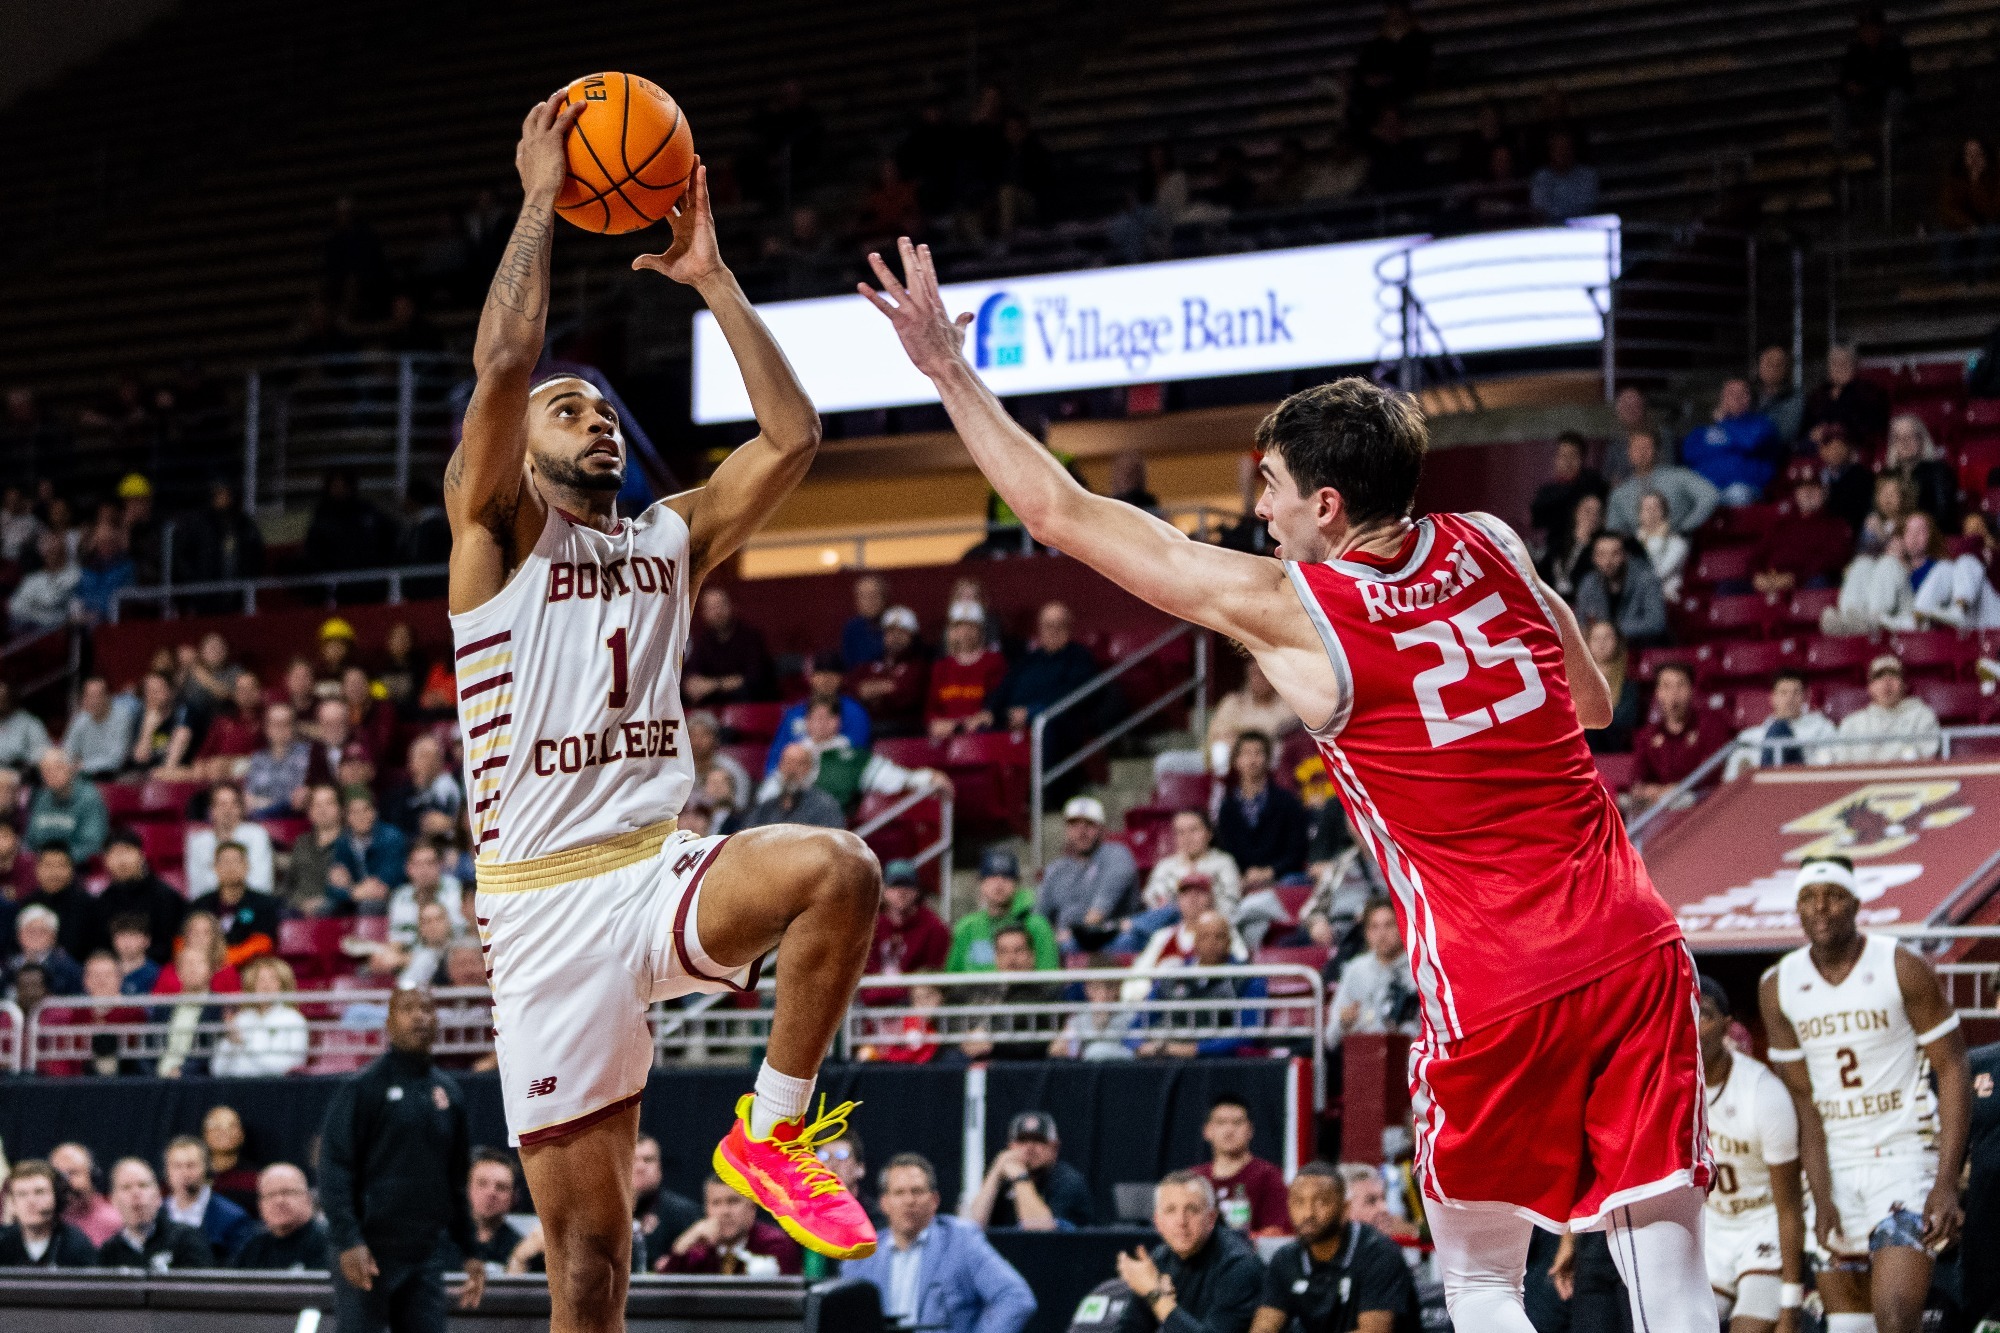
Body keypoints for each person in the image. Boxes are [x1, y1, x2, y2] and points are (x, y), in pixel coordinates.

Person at [866, 244, 1713, 1332]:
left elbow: (1060, 515)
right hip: (1632, 940)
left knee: (1481, 1277)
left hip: (1493, 975)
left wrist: (945, 367)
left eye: (1265, 488)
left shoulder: (1295, 607)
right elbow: (1592, 704)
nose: (1257, 512)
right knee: (1666, 1259)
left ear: (1322, 502)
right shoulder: (1493, 538)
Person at [445, 106, 882, 1326]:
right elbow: (499, 363)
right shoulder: (492, 538)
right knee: (589, 1270)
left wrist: (712, 277)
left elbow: (793, 436)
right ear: (519, 453)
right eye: (563, 409)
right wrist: (540, 192)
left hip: (657, 868)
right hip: (540, 908)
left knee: (836, 868)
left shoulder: (668, 539)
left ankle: (772, 1135)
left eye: (597, 409)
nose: (587, 419)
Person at [1761, 857, 1972, 1333]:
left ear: (1856, 903)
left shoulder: (1900, 965)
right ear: (1795, 909)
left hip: (1904, 1157)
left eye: (1834, 896)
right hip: (1836, 1163)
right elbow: (1803, 1101)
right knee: (1850, 1327)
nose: (1821, 908)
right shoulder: (1777, 986)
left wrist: (1946, 1181)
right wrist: (1821, 1191)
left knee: (1897, 1317)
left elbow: (1953, 1065)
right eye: (1809, 899)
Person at [320, 988, 485, 1329]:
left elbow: (455, 1180)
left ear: (437, 1021)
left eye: (427, 1009)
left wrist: (471, 1250)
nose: (420, 1016)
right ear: (390, 1022)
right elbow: (334, 1168)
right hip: (367, 1248)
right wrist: (349, 1240)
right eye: (408, 1009)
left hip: (425, 1252)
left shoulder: (450, 1093)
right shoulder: (362, 1088)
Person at [1694, 975, 1806, 1333]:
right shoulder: (1671, 1088)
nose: (1693, 1025)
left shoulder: (1764, 1093)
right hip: (1712, 1228)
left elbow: (1790, 1206)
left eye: (1705, 1015)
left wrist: (1791, 1302)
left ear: (1727, 1026)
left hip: (1763, 1225)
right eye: (1687, 1014)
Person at [844, 1153, 1036, 1333]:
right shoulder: (861, 1256)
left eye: (917, 1191)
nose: (909, 1200)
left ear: (935, 1200)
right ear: (884, 1203)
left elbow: (1016, 1298)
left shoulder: (962, 1242)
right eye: (899, 1193)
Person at [1251, 1162, 1423, 1333]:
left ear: (1344, 1209)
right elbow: (1264, 1327)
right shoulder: (1285, 1259)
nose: (1308, 1213)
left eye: (1321, 1202)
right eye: (1298, 1202)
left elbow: (1373, 1330)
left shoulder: (1380, 1253)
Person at [1114, 1171, 1264, 1333]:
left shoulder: (1239, 1266)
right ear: (1158, 1221)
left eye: (1192, 1209)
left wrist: (1155, 1295)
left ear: (1211, 1218)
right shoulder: (1159, 1259)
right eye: (1171, 1210)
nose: (1181, 1221)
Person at [963, 1111, 1095, 1231]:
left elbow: (1039, 1231)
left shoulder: (1067, 1181)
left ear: (1054, 1148)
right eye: (1022, 1140)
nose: (1030, 1147)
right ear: (1011, 1146)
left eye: (1039, 1140)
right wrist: (996, 1171)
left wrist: (1020, 1177)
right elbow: (970, 1229)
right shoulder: (1003, 1182)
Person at [1038, 796, 1139, 951]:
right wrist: (1049, 936)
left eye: (1089, 825)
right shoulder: (1056, 869)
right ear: (1067, 829)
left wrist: (1067, 936)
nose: (1081, 831)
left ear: (1102, 829)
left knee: (1068, 946)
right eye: (1074, 825)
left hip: (1109, 938)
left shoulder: (1117, 855)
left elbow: (1098, 915)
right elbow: (1039, 917)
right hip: (1066, 940)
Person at [1214, 732, 1309, 890]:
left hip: (1283, 877)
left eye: (1258, 753)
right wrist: (1242, 875)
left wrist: (1270, 871)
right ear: (1236, 761)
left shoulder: (1287, 802)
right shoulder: (1227, 807)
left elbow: (1297, 850)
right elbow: (1226, 850)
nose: (1252, 760)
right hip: (1241, 879)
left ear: (1268, 760)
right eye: (1246, 753)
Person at [1627, 663, 1729, 809]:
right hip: (1659, 805)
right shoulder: (1648, 735)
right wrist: (1647, 790)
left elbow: (1712, 772)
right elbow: (1637, 778)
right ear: (1658, 692)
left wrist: (1678, 789)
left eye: (1681, 685)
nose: (1674, 693)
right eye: (1666, 686)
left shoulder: (1711, 725)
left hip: (1700, 802)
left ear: (1691, 690)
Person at [660, 1176, 802, 1275]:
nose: (725, 1211)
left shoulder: (776, 1246)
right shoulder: (697, 1251)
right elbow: (662, 1300)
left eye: (733, 1201)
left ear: (752, 1207)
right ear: (706, 1209)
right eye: (716, 1203)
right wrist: (680, 1249)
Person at [948, 848, 1059, 972]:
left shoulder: (1037, 925)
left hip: (1025, 991)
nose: (999, 883)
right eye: (992, 876)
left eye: (1007, 877)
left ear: (1018, 883)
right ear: (980, 883)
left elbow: (1049, 978)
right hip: (975, 992)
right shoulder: (967, 927)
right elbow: (952, 977)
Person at [1192, 1096, 1288, 1237]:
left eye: (1237, 1123)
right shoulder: (1194, 1179)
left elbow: (1277, 1233)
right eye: (1221, 1122)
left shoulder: (1269, 1176)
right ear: (1207, 1131)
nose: (1229, 1130)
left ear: (1250, 1130)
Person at [98, 1157, 216, 1271]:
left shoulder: (187, 1239)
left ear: (158, 1197)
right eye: (126, 1187)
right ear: (113, 1201)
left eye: (143, 1185)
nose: (135, 1193)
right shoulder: (108, 1253)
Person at [1331, 898, 1420, 1046]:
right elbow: (1330, 1038)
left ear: (1402, 926)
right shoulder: (1356, 969)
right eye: (1374, 927)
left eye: (1389, 925)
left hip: (1407, 1055)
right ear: (1366, 933)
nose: (1382, 933)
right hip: (1363, 1056)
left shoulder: (1419, 969)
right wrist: (1344, 1023)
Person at [1751, 473, 1853, 599]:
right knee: (1728, 588)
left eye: (1814, 487)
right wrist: (1757, 576)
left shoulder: (1835, 525)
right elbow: (1756, 557)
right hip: (1772, 579)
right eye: (1802, 488)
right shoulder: (1781, 524)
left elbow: (1834, 560)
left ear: (1825, 492)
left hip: (1806, 583)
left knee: (1819, 582)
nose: (1807, 492)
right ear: (1795, 493)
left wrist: (1795, 577)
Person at [1682, 379, 1783, 506]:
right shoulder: (1703, 430)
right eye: (1730, 394)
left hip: (1744, 488)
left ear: (1750, 399)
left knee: (1738, 493)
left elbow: (1749, 443)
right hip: (1706, 489)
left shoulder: (1762, 424)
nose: (1736, 398)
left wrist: (1724, 422)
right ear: (1722, 399)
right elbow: (1689, 455)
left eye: (1743, 393)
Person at [1724, 671, 1837, 781]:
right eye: (1783, 693)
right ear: (1773, 697)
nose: (1789, 699)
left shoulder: (1821, 728)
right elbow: (1730, 779)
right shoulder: (1748, 737)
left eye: (1796, 693)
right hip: (1761, 792)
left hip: (1804, 786)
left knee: (1780, 731)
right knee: (1778, 730)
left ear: (1805, 697)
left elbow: (1828, 765)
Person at [1604, 430, 1717, 537]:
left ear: (1658, 452)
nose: (1642, 452)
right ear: (1629, 453)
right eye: (1636, 448)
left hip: (1677, 545)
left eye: (1647, 447)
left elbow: (1710, 496)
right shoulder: (1619, 493)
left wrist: (1684, 529)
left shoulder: (1679, 476)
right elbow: (1614, 532)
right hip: (1638, 552)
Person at [211, 954, 309, 1076]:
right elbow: (217, 1070)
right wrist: (231, 1044)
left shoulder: (294, 1020)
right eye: (260, 980)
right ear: (252, 986)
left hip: (275, 1089)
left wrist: (244, 1043)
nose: (266, 985)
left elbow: (289, 1067)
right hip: (235, 1088)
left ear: (283, 985)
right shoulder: (242, 1019)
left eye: (273, 979)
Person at [1832, 655, 1940, 763]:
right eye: (1879, 676)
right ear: (1870, 687)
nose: (1886, 682)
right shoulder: (1851, 724)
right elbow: (1842, 768)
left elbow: (1927, 763)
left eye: (1894, 675)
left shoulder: (1922, 717)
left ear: (1904, 684)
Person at [163, 1136, 257, 1259]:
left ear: (206, 1168)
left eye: (191, 1165)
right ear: (167, 1171)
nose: (184, 1173)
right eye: (177, 1166)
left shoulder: (233, 1218)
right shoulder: (155, 1213)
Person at [189, 841, 280, 967]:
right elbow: (183, 942)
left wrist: (224, 958)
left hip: (250, 969)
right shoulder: (200, 905)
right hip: (206, 969)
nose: (230, 867)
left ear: (247, 866)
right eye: (225, 862)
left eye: (236, 861)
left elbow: (263, 944)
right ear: (215, 867)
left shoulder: (264, 904)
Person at [865, 858, 950, 992]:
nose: (901, 892)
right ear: (884, 890)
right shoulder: (870, 926)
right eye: (895, 885)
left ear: (917, 890)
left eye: (907, 885)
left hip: (914, 1005)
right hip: (872, 1004)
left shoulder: (934, 928)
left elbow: (931, 979)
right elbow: (866, 974)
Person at [1140, 809, 1243, 918]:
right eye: (1180, 832)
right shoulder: (1165, 865)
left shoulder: (1224, 862)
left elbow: (1231, 901)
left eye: (1193, 830)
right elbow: (1152, 898)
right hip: (1170, 922)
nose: (1187, 837)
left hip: (1212, 924)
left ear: (1209, 833)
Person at [926, 602, 1007, 739]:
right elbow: (932, 709)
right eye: (959, 625)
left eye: (971, 626)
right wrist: (937, 724)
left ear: (980, 630)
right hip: (945, 737)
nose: (964, 631)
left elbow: (998, 702)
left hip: (982, 736)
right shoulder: (941, 666)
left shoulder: (994, 661)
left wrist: (980, 719)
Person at [1573, 532, 1668, 647]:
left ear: (1625, 555)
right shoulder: (1589, 583)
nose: (1608, 561)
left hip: (1639, 648)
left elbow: (1656, 623)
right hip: (1601, 651)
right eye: (1601, 555)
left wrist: (1614, 630)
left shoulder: (1646, 579)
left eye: (1615, 554)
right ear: (1594, 558)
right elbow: (1581, 624)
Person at [232, 1163, 333, 1271]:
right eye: (270, 1195)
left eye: (287, 1192)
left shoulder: (330, 1243)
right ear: (260, 1205)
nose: (279, 1200)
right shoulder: (253, 1249)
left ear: (308, 1199)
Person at [1206, 662, 1302, 773]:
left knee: (1280, 749)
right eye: (1255, 674)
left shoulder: (1287, 705)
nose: (1260, 679)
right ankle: (1220, 784)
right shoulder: (1233, 702)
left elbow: (1289, 732)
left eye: (1264, 674)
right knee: (1220, 748)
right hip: (1238, 755)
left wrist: (1242, 730)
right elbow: (1218, 731)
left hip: (1271, 755)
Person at [184, 783, 275, 899]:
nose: (228, 810)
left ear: (241, 809)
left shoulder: (257, 835)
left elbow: (261, 884)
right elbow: (197, 889)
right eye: (222, 804)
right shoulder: (198, 842)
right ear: (212, 811)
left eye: (234, 804)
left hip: (251, 904)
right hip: (210, 907)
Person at [848, 605, 929, 737]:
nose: (895, 636)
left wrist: (872, 690)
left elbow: (908, 696)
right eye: (890, 631)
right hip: (868, 729)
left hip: (904, 733)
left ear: (912, 636)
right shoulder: (869, 665)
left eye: (902, 632)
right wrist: (888, 687)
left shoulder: (919, 667)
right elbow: (853, 690)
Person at [0, 1161, 99, 1267]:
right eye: (21, 1194)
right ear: (12, 1203)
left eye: (39, 1192)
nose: (30, 1201)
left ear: (57, 1198)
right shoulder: (3, 1242)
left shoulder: (76, 1245)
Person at [739, 741, 850, 829]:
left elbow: (830, 846)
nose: (791, 769)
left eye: (799, 763)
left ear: (809, 769)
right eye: (787, 762)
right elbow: (746, 837)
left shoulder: (825, 806)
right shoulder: (767, 807)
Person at [630, 1135, 701, 1271]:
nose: (640, 1167)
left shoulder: (686, 1214)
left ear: (660, 1168)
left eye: (648, 1160)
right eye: (632, 1160)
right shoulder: (600, 1216)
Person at [1802, 345, 1890, 451]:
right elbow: (1806, 427)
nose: (1839, 368)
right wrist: (1813, 433)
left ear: (1855, 366)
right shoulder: (1817, 395)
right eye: (1835, 363)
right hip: (1818, 447)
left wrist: (1836, 431)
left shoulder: (1868, 393)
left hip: (1852, 447)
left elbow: (1871, 429)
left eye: (1844, 363)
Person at [26, 749, 107, 861]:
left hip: (77, 868)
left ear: (71, 769)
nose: (51, 774)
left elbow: (92, 845)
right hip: (42, 867)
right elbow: (29, 841)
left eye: (58, 767)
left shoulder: (89, 798)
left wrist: (56, 862)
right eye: (45, 770)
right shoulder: (41, 798)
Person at [62, 677, 134, 780]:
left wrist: (84, 766)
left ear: (107, 697)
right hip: (83, 776)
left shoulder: (123, 717)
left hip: (113, 776)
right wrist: (69, 765)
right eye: (89, 696)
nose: (93, 701)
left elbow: (116, 760)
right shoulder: (80, 720)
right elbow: (67, 751)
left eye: (97, 696)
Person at [51, 1143, 122, 1248]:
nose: (66, 1182)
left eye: (73, 1173)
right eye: (59, 1175)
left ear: (92, 1176)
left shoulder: (116, 1221)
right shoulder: (42, 1220)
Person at [1755, 345, 1805, 446]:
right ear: (1759, 366)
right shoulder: (1748, 394)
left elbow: (1784, 433)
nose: (1774, 368)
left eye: (1779, 364)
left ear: (1786, 369)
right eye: (1769, 362)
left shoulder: (1794, 398)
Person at [841, 574, 889, 669]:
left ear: (884, 598)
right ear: (857, 601)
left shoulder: (896, 623)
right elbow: (849, 666)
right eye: (864, 596)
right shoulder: (852, 628)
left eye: (874, 595)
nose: (870, 601)